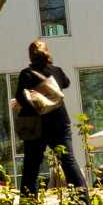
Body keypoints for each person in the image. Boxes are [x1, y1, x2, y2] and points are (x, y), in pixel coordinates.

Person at [15, 39, 86, 196]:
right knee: (68, 161)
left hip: (36, 124)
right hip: (59, 121)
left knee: (31, 165)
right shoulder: (57, 71)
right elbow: (66, 83)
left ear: (30, 55)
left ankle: (29, 203)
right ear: (47, 52)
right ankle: (83, 200)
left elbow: (20, 97)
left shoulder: (26, 74)